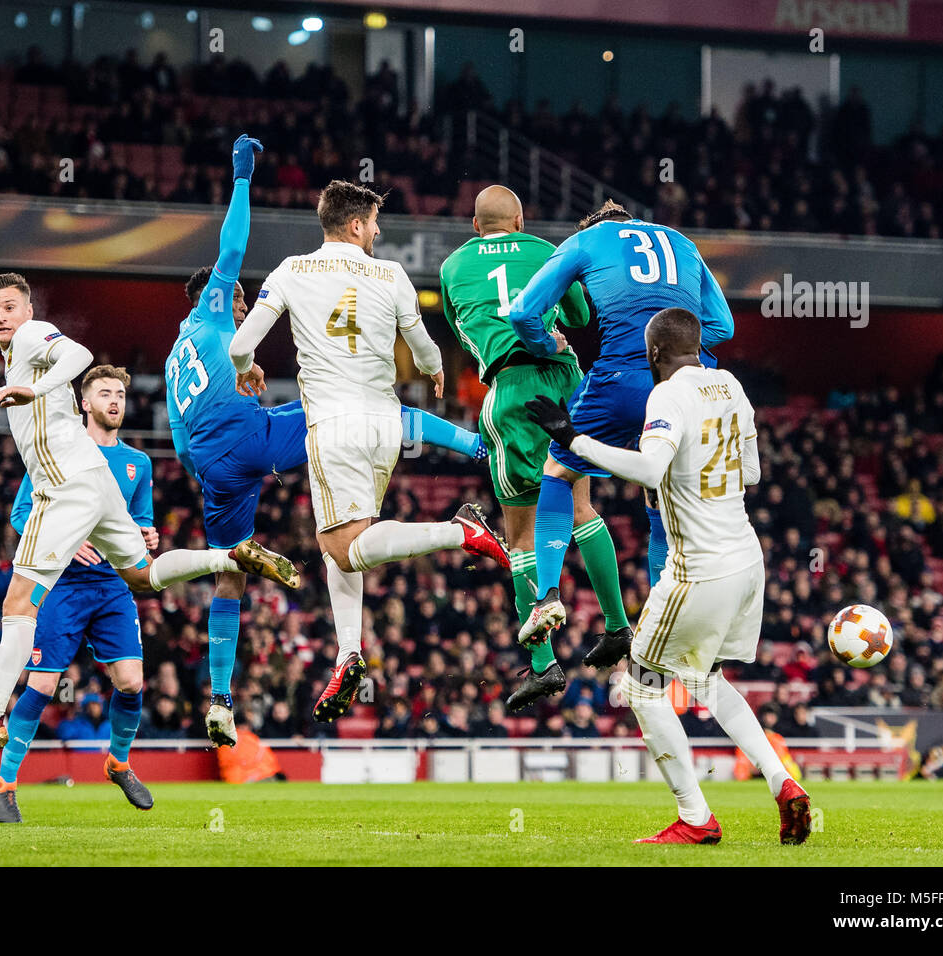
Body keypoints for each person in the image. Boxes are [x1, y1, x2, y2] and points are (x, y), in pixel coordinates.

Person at [0, 272, 298, 824]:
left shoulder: (32, 342)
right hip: (88, 499)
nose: (0, 316)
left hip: (69, 492)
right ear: (88, 403)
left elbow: (75, 352)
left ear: (28, 309)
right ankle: (229, 557)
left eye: (9, 307)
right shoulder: (26, 366)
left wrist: (33, 387)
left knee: (16, 608)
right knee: (145, 577)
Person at [167, 137, 486, 747]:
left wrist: (223, 455)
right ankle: (472, 448)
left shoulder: (178, 347)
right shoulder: (218, 306)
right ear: (227, 297)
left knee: (232, 572)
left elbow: (182, 441)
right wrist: (241, 177)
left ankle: (221, 700)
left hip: (209, 466)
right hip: (249, 437)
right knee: (339, 405)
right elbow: (231, 247)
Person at [228, 179, 510, 724]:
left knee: (341, 546)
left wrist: (247, 370)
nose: (379, 231)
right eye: (375, 223)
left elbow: (242, 345)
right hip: (385, 422)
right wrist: (432, 371)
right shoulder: (392, 274)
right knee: (346, 534)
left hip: (333, 424)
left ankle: (460, 531)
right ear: (355, 225)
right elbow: (425, 348)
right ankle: (349, 650)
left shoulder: (292, 270)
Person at [526, 307, 810, 845]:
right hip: (748, 561)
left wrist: (575, 439)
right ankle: (782, 781)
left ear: (653, 354)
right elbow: (749, 472)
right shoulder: (730, 384)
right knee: (708, 681)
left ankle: (696, 818)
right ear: (697, 346)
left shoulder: (666, 395)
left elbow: (652, 469)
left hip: (699, 568)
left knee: (641, 686)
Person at [508, 200, 735, 656]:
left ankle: (548, 596)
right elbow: (723, 327)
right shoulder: (684, 243)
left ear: (594, 225)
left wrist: (545, 343)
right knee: (659, 494)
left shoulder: (586, 241)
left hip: (622, 378)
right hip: (692, 386)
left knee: (559, 471)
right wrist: (675, 351)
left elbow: (522, 313)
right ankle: (660, 622)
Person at [439, 184, 632, 712]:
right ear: (520, 219)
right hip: (567, 381)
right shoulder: (549, 251)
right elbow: (577, 317)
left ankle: (545, 665)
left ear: (476, 225)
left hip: (511, 390)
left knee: (519, 534)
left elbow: (465, 334)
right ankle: (617, 625)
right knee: (579, 505)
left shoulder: (453, 266)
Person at [0, 365, 158, 822]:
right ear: (84, 403)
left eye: (120, 393)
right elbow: (22, 514)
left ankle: (117, 762)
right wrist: (66, 537)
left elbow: (139, 522)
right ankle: (5, 786)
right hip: (60, 584)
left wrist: (148, 537)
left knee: (132, 682)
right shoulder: (56, 454)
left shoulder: (137, 464)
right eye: (105, 393)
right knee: (42, 684)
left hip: (111, 586)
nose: (115, 401)